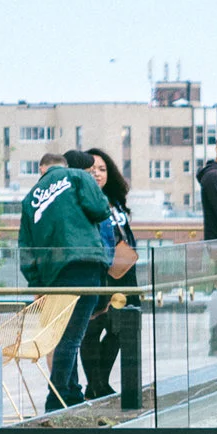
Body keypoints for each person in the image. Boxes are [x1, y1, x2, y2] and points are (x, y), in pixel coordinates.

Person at [17, 149, 128, 409]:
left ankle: (71, 394)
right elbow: (100, 210)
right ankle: (55, 398)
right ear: (63, 166)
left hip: (51, 274)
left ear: (41, 170)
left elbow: (26, 248)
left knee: (61, 335)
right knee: (72, 337)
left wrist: (37, 285)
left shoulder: (29, 198)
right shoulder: (77, 177)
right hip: (85, 264)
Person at [76, 146, 140, 401]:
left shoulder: (114, 201)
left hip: (124, 271)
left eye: (102, 169)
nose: (98, 174)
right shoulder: (83, 202)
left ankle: (98, 383)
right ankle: (96, 385)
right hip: (100, 271)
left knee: (121, 329)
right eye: (92, 170)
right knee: (94, 329)